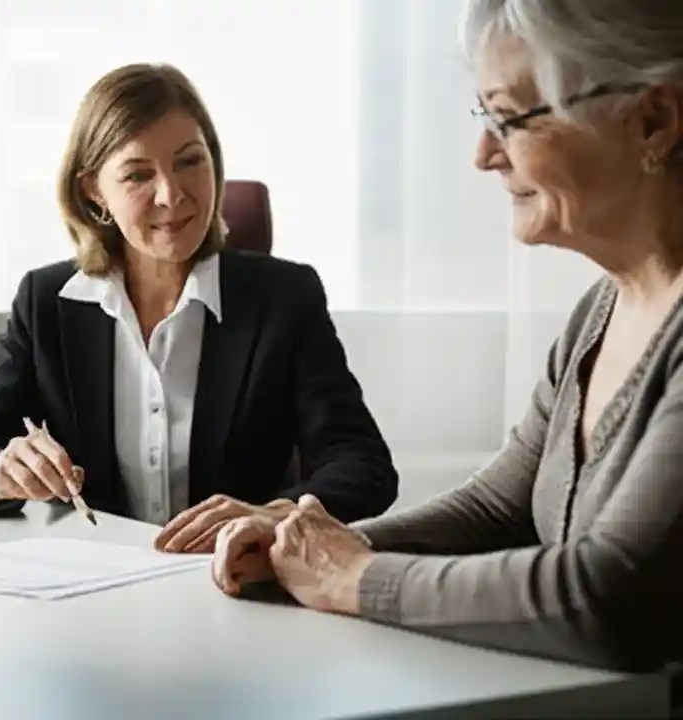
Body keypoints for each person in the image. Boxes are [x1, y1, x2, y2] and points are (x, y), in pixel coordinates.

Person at [212, 0, 683, 671]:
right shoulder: (600, 311)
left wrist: (351, 578)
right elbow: (499, 507)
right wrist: (307, 545)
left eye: (511, 118)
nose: (483, 154)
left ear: (653, 121)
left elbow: (610, 595)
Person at [0, 63, 397, 552]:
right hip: (94, 585)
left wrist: (272, 514)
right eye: (137, 174)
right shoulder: (47, 301)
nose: (171, 195)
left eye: (190, 162)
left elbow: (362, 463)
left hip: (233, 583)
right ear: (94, 191)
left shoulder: (284, 297)